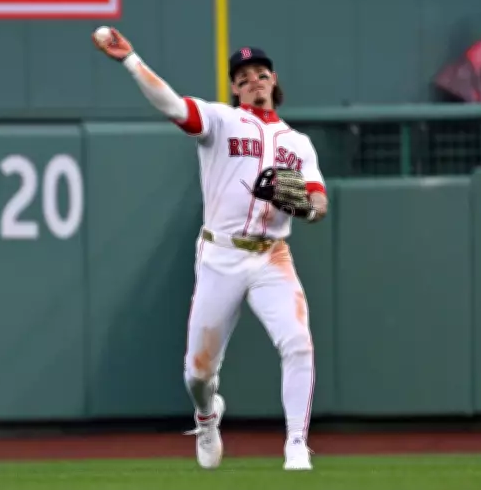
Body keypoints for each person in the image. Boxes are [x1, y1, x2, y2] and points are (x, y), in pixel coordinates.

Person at [92, 28, 327, 471]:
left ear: (273, 80)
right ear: (235, 88)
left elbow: (318, 202)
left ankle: (296, 443)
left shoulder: (299, 144)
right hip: (220, 255)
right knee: (197, 374)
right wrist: (130, 60)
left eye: (261, 73)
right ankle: (206, 417)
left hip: (271, 254)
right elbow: (172, 106)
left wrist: (305, 206)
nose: (254, 80)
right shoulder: (221, 121)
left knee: (297, 343)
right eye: (244, 76)